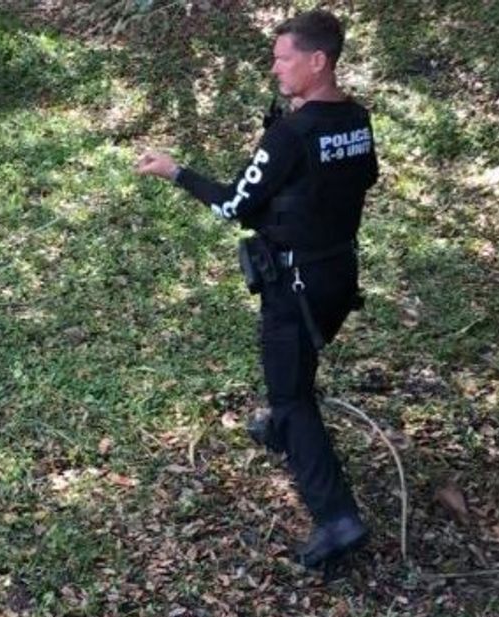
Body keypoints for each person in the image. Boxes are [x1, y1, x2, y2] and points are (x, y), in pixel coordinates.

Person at [135, 9, 378, 570]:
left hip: (294, 282)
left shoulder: (291, 134)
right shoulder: (356, 119)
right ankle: (277, 426)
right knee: (293, 371)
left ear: (318, 62)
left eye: (283, 59)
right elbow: (356, 180)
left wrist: (175, 172)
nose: (275, 69)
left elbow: (232, 204)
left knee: (294, 396)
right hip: (338, 274)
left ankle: (337, 517)